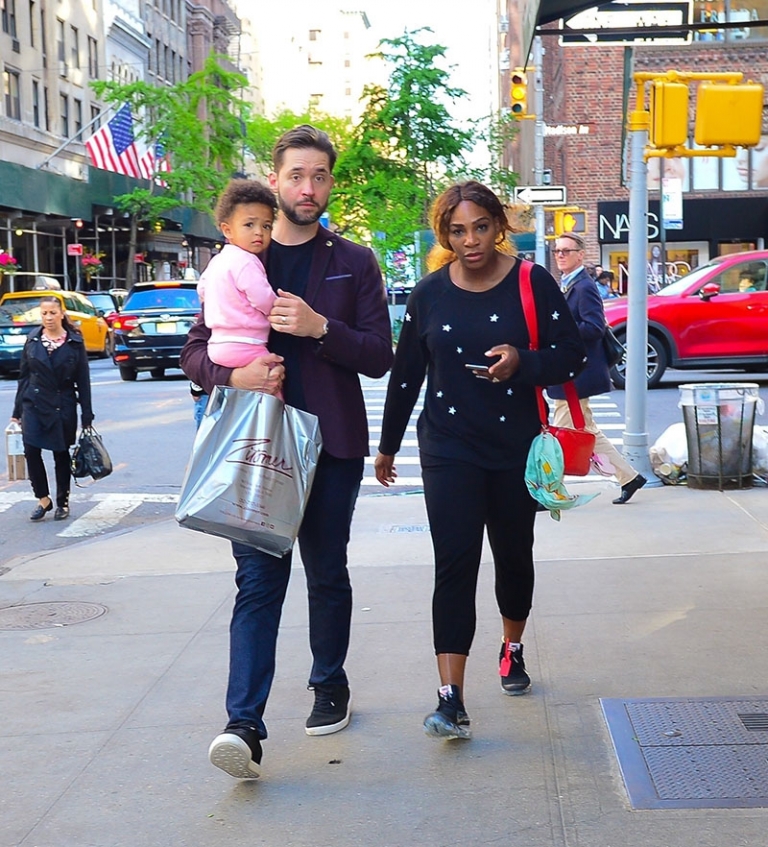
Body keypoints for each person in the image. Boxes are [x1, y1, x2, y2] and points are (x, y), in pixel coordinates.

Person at [180, 124, 393, 779]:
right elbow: (195, 350)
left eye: (319, 176)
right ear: (275, 179)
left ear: (330, 184)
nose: (307, 187)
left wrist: (321, 327)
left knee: (326, 570)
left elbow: (379, 355)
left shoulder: (354, 260)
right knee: (257, 581)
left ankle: (329, 681)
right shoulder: (245, 252)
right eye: (296, 175)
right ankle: (243, 725)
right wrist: (232, 375)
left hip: (330, 444)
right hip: (254, 444)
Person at [374, 181, 585, 741]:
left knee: (514, 558)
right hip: (449, 448)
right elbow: (406, 375)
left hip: (514, 448)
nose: (470, 241)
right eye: (457, 231)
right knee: (455, 564)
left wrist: (523, 361)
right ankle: (451, 699)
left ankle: (512, 647)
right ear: (444, 235)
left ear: (499, 226)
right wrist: (388, 445)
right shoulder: (429, 293)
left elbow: (572, 355)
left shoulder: (531, 282)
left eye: (481, 227)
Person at [547, 232, 647, 505]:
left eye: (566, 250)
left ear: (580, 255)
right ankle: (629, 477)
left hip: (576, 375)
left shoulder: (584, 287)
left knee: (562, 435)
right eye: (557, 251)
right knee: (586, 429)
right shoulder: (569, 284)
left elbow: (593, 327)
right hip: (570, 373)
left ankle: (552, 491)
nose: (560, 255)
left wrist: (560, 330)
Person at [9, 295, 93, 522]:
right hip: (34, 403)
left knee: (61, 454)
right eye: (44, 313)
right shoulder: (33, 340)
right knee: (31, 449)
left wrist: (87, 414)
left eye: (53, 313)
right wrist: (17, 412)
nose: (48, 317)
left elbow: (83, 381)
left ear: (62, 314)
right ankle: (43, 498)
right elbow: (24, 377)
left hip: (61, 404)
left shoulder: (74, 342)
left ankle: (62, 501)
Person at [197, 180, 279, 371]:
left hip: (217, 344)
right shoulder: (246, 261)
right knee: (272, 376)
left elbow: (202, 291)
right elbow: (262, 297)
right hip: (247, 342)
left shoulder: (217, 261)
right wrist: (277, 309)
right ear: (227, 230)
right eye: (249, 224)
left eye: (266, 226)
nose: (259, 232)